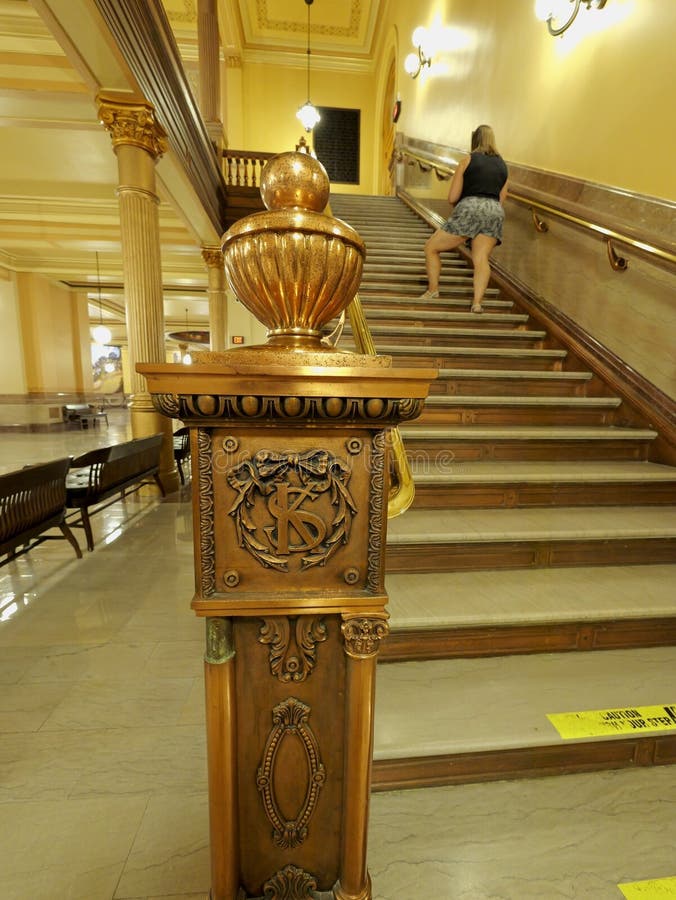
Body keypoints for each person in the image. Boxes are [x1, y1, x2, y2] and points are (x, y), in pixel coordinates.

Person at [419, 124, 508, 313]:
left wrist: (465, 209)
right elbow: (502, 198)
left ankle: (433, 290)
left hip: (470, 207)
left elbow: (452, 197)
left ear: (474, 140)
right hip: (494, 211)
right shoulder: (503, 166)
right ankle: (477, 303)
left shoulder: (467, 161)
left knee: (431, 248)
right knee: (481, 258)